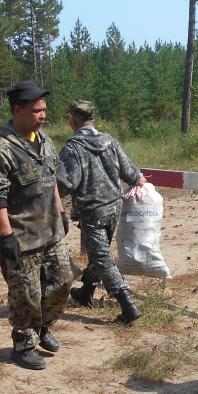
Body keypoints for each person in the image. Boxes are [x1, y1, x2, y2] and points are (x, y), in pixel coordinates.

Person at [0, 81, 74, 371]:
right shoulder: (1, 147)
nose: (42, 115)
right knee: (26, 294)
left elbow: (51, 179)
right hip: (21, 236)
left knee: (63, 280)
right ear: (17, 110)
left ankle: (43, 327)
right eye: (36, 111)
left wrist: (60, 210)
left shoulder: (44, 140)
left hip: (50, 230)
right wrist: (6, 235)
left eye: (44, 110)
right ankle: (23, 343)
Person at [58, 100, 145, 324]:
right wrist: (140, 180)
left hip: (92, 211)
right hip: (114, 207)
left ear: (73, 120)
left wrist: (47, 191)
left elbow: (66, 183)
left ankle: (128, 305)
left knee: (103, 258)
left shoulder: (73, 148)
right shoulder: (109, 141)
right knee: (100, 253)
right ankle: (86, 292)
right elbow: (131, 172)